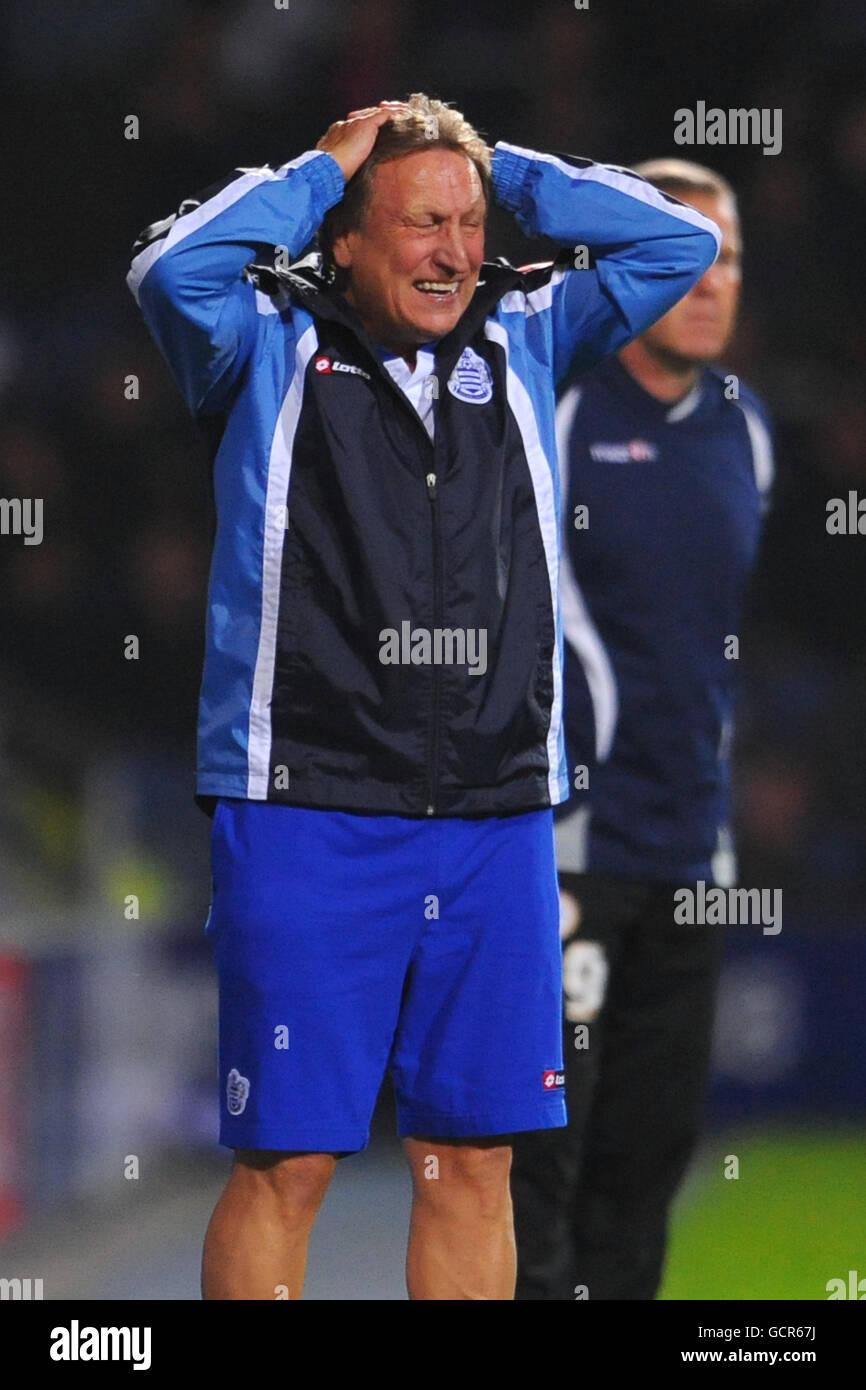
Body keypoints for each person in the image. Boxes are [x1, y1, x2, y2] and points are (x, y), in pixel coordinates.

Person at [127, 97, 720, 1301]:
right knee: (288, 1162)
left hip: (496, 813)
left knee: (472, 1161)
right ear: (344, 236)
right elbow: (166, 264)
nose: (454, 248)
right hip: (306, 802)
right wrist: (321, 167)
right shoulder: (259, 340)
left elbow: (677, 245)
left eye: (467, 221)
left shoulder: (531, 333)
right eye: (419, 223)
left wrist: (504, 168)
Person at [510, 159, 773, 1300]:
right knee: (540, 1168)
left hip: (691, 854)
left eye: (730, 262)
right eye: (689, 256)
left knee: (647, 1160)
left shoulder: (745, 430)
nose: (711, 285)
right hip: (569, 851)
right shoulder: (556, 410)